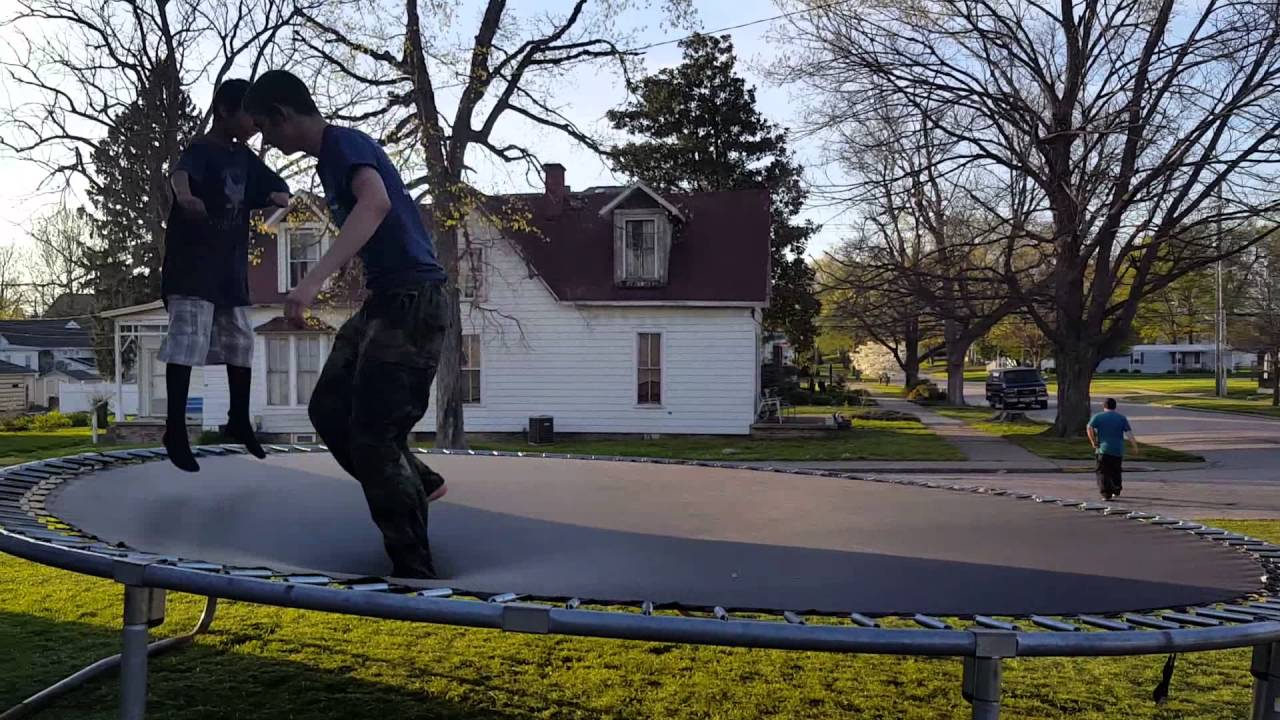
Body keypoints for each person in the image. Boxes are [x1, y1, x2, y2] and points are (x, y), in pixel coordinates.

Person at [244, 70, 450, 579]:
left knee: (374, 440)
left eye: (265, 130)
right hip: (386, 301)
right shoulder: (328, 160)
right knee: (329, 408)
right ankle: (419, 481)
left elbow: (375, 203)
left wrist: (311, 281)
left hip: (413, 302)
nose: (267, 142)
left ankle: (415, 571)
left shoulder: (343, 145)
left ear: (282, 115)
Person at [160, 79, 291, 472]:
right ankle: (175, 429)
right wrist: (185, 197)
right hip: (192, 266)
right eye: (249, 117)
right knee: (188, 341)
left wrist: (279, 196)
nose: (254, 125)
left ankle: (238, 419)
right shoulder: (202, 149)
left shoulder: (244, 158)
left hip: (229, 268)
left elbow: (275, 185)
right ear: (224, 111)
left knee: (240, 341)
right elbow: (180, 175)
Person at [1087, 398, 1139, 501]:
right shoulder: (1121, 418)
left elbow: (1089, 427)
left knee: (1102, 472)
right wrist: (1135, 446)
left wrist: (1093, 441)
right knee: (1116, 470)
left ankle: (1106, 493)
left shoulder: (1098, 417)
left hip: (1103, 449)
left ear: (1104, 406)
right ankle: (1116, 489)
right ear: (1115, 406)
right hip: (1117, 450)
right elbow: (1129, 433)